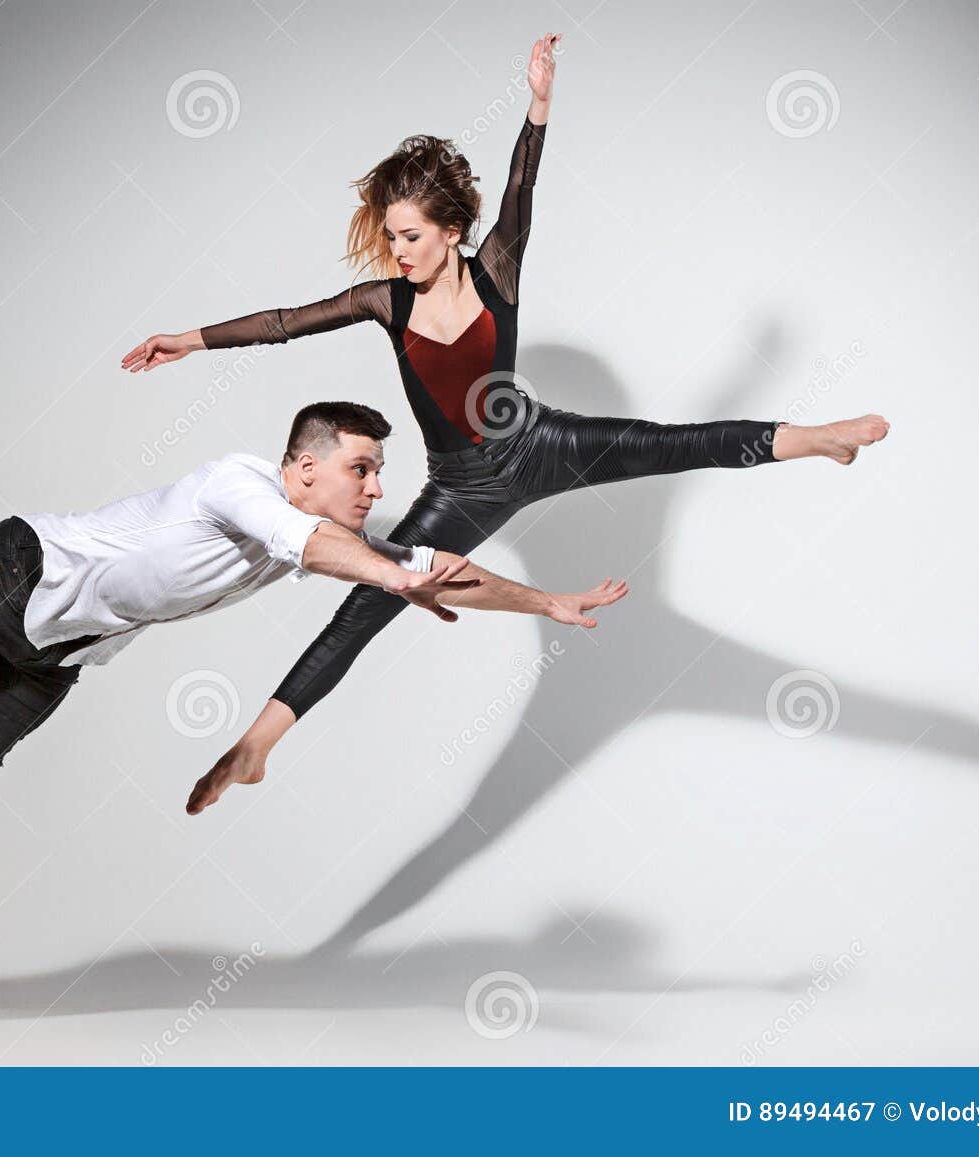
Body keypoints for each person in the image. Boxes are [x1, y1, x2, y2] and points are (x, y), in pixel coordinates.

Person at [122, 34, 890, 815]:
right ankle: (254, 746)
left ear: (451, 232)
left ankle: (821, 438)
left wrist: (539, 104)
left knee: (679, 442)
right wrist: (191, 339)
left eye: (411, 236)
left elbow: (525, 181)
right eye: (390, 237)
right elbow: (287, 321)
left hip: (541, 445)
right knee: (364, 608)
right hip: (461, 490)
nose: (397, 251)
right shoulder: (387, 302)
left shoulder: (499, 267)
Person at [0, 401, 625, 1011]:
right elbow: (353, 561)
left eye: (379, 475)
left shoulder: (336, 532)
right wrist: (389, 573)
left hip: (63, 647)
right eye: (362, 470)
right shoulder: (240, 484)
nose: (377, 488)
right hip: (20, 572)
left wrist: (547, 602)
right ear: (303, 467)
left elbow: (437, 568)